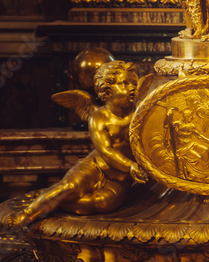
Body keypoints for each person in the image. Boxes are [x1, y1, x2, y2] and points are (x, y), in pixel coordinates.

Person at [8, 61, 147, 225]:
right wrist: (130, 165)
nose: (132, 88)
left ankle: (53, 204)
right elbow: (106, 150)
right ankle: (28, 214)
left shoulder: (140, 112)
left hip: (120, 178)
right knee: (69, 186)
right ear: (107, 90)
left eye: (134, 83)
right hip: (95, 165)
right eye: (125, 83)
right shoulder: (99, 118)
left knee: (103, 202)